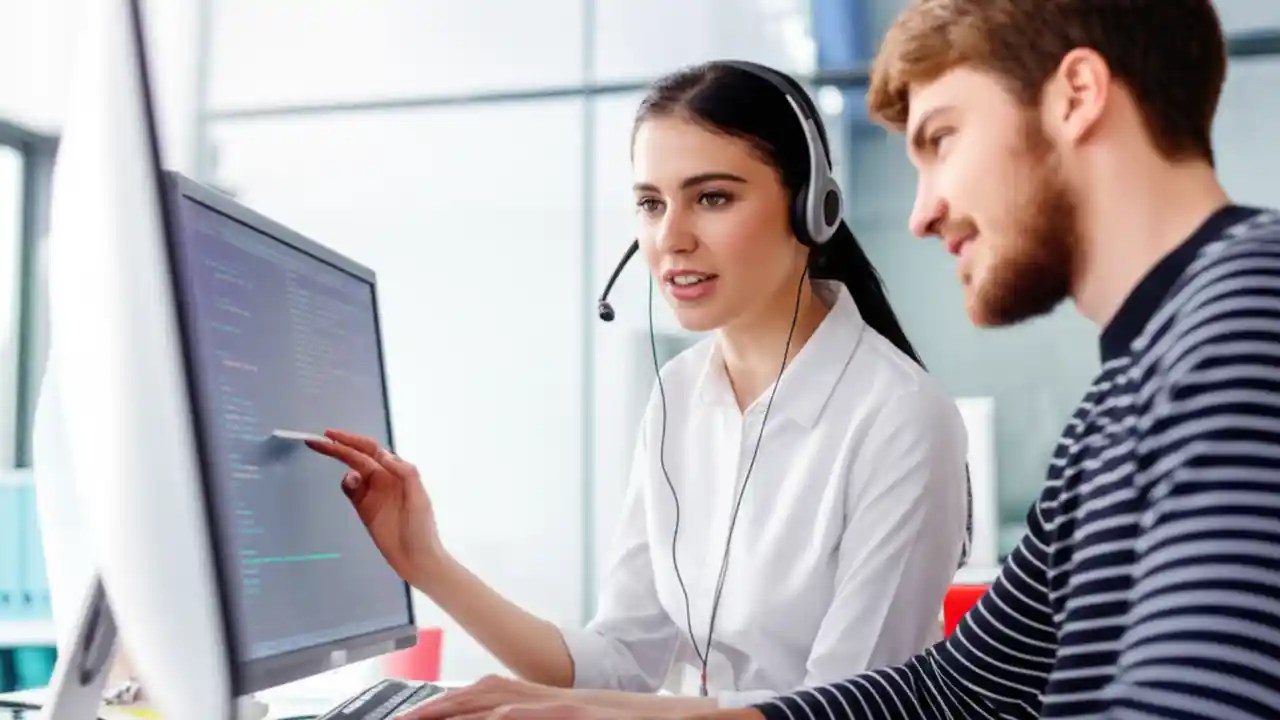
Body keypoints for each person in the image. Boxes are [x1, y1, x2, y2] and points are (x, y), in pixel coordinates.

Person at [492, 1, 1280, 718]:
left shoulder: (1246, 313)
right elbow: (956, 686)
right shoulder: (1121, 403)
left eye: (942, 139)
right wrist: (617, 713)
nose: (921, 212)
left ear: (1076, 96)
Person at [307, 60, 972, 717]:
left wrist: (579, 711)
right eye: (652, 204)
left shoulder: (900, 416)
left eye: (712, 198)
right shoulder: (678, 396)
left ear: (811, 210)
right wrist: (425, 561)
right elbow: (621, 662)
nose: (669, 239)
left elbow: (846, 708)